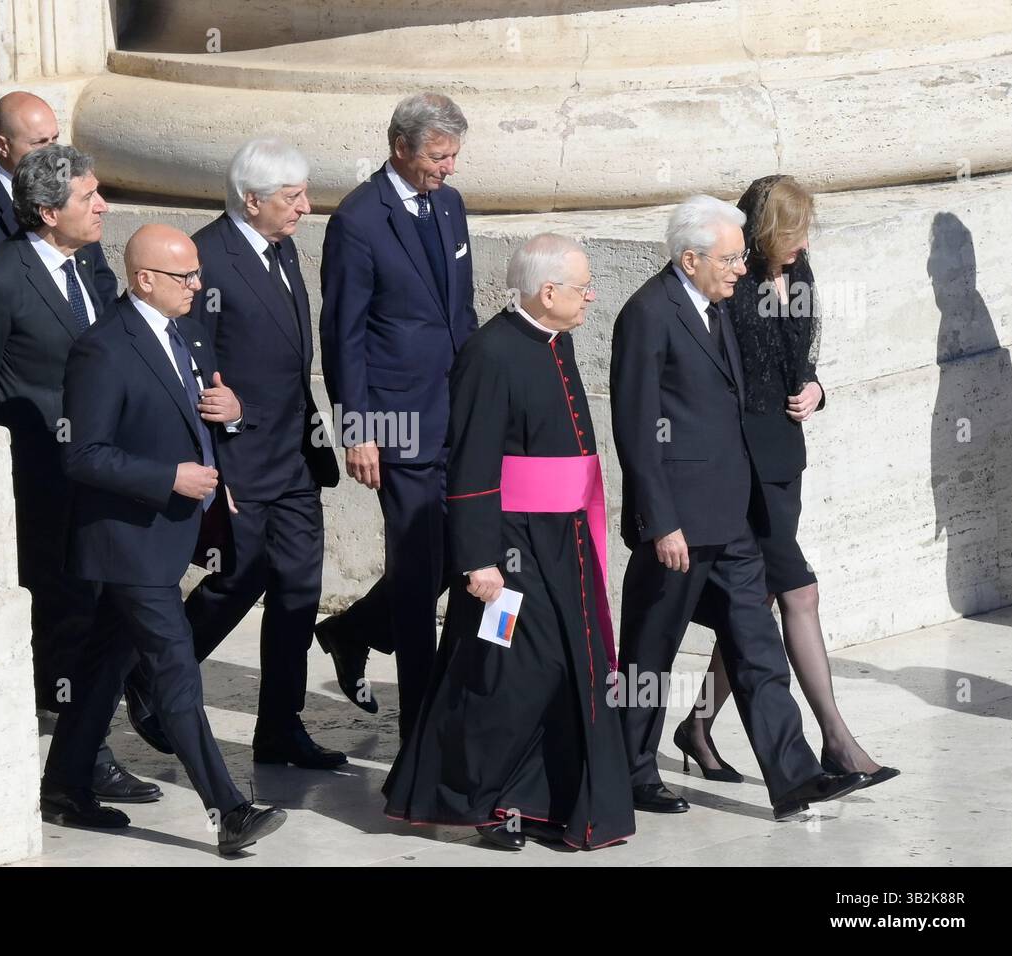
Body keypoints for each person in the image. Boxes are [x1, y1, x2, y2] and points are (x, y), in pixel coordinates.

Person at [609, 194, 868, 821]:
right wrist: (659, 519)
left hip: (734, 516)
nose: (739, 267)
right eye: (729, 257)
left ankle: (795, 777)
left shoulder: (719, 305)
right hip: (677, 523)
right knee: (650, 651)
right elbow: (636, 426)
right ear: (690, 258)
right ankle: (631, 770)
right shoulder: (648, 313)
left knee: (758, 648)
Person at [384, 234, 635, 851]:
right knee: (511, 673)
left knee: (564, 670)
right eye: (582, 286)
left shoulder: (556, 339)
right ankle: (478, 799)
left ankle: (534, 801)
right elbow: (469, 463)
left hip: (564, 539)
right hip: (513, 546)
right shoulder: (490, 353)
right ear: (548, 292)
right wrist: (478, 560)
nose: (590, 296)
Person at [41, 223, 286, 856]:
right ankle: (228, 809)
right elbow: (84, 455)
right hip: (126, 542)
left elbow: (198, 422)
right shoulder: (104, 348)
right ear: (145, 279)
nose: (199, 286)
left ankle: (65, 784)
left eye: (198, 273)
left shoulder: (187, 335)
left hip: (172, 533)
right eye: (186, 277)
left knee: (103, 664)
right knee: (175, 670)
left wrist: (231, 419)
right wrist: (168, 477)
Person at [0, 144, 158, 804]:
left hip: (104, 471)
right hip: (42, 482)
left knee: (108, 608)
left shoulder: (89, 262)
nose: (104, 206)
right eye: (88, 198)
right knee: (71, 617)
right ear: (45, 211)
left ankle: (103, 735)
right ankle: (81, 762)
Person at [123, 139, 344, 769]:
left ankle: (280, 724)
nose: (304, 206)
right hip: (239, 455)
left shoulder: (283, 247)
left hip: (295, 455)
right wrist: (215, 411)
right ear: (252, 200)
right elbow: (181, 347)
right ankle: (150, 676)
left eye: (303, 193)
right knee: (235, 579)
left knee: (299, 588)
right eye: (291, 196)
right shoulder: (207, 257)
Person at [675, 176, 898, 788]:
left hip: (783, 460)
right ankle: (838, 742)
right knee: (799, 592)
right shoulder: (733, 278)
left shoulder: (797, 273)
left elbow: (801, 355)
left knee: (758, 602)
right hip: (741, 467)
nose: (803, 242)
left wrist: (816, 390)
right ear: (767, 230)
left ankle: (695, 726)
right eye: (794, 231)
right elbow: (713, 369)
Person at [316, 92, 479, 738]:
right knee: (416, 573)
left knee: (457, 556)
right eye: (439, 156)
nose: (449, 168)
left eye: (454, 156)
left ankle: (352, 631)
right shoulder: (358, 221)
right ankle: (422, 729)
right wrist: (356, 430)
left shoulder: (450, 204)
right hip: (395, 424)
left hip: (455, 416)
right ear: (400, 149)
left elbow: (459, 314)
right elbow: (343, 336)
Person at [0, 91, 117, 316]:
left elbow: (101, 281)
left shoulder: (70, 189)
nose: (52, 153)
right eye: (40, 143)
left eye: (54, 139)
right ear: (2, 146)